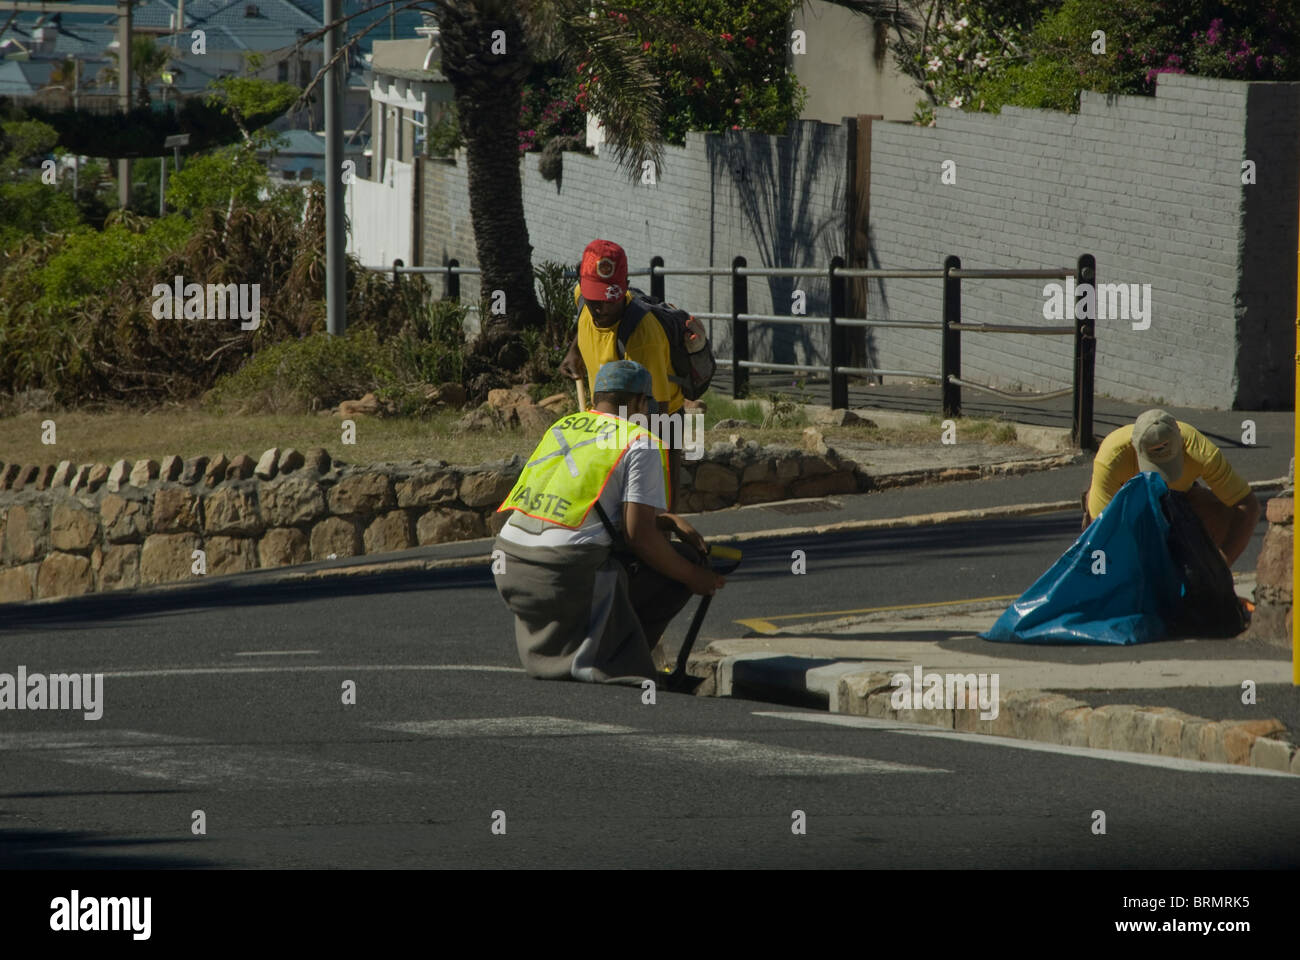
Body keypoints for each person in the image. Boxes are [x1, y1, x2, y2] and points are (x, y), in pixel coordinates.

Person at [493, 359, 726, 683]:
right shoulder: (640, 441)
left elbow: (581, 506)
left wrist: (666, 521)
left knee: (617, 551)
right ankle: (616, 656)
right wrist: (695, 576)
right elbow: (638, 537)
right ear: (639, 402)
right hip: (560, 573)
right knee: (679, 561)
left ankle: (560, 654)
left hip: (511, 568)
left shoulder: (563, 427)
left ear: (597, 397)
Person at [558, 239, 707, 508]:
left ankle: (664, 535)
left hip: (658, 416)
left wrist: (646, 460)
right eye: (594, 299)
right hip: (610, 415)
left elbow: (657, 413)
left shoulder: (643, 337)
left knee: (656, 498)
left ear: (624, 288)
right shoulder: (583, 295)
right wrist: (574, 352)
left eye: (608, 300)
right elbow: (584, 315)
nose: (599, 309)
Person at [1084, 409, 1260, 566]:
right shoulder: (1111, 458)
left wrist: (1221, 567)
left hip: (1177, 501)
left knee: (1220, 513)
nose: (1162, 478)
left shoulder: (1201, 452)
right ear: (1135, 448)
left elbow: (1247, 506)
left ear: (1181, 441)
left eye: (1168, 465)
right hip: (1127, 510)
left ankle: (1194, 580)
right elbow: (1102, 530)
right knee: (1105, 551)